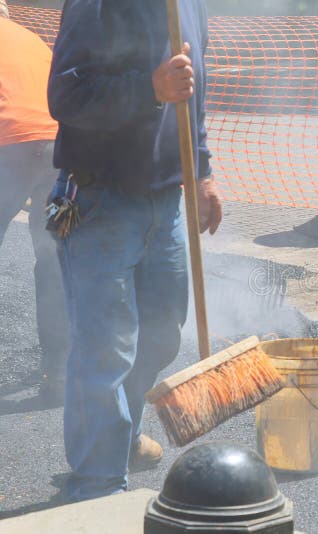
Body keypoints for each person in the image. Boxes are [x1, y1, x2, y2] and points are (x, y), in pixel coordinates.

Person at [47, 0, 223, 502]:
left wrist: (204, 171)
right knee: (105, 350)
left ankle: (117, 440)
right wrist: (148, 89)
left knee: (161, 336)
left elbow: (195, 92)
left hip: (164, 201)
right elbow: (65, 94)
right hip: (101, 198)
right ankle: (96, 484)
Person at [0, 5, 70, 400]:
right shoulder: (30, 37)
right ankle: (58, 374)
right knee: (54, 254)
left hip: (9, 143)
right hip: (59, 147)